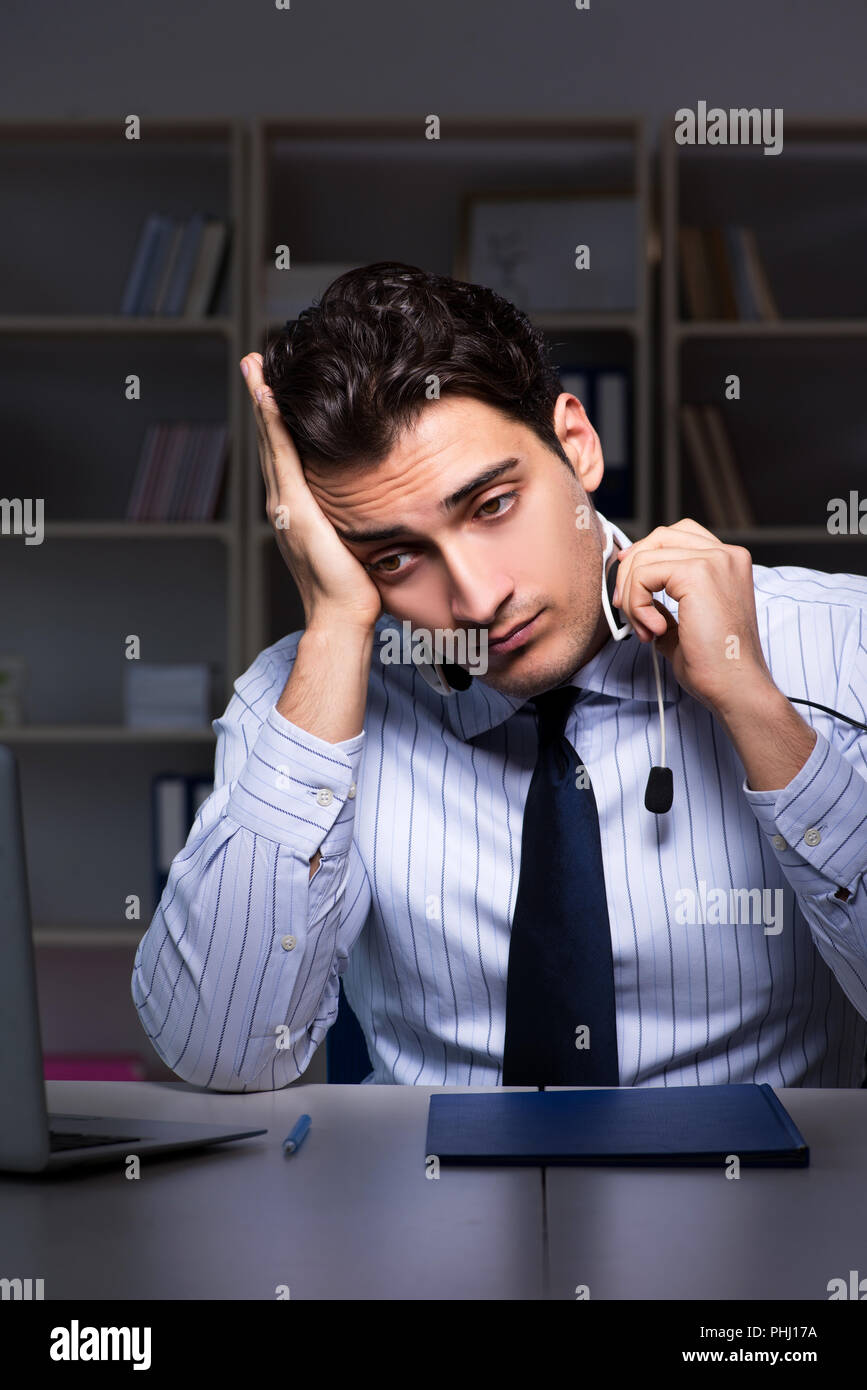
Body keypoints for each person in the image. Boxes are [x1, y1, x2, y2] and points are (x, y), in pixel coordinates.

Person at [132, 262, 867, 1091]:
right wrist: (337, 626)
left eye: (490, 507)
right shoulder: (306, 695)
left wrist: (754, 707)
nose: (478, 600)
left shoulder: (839, 640)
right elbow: (219, 1054)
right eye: (396, 556)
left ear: (576, 446)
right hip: (426, 1205)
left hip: (769, 1209)